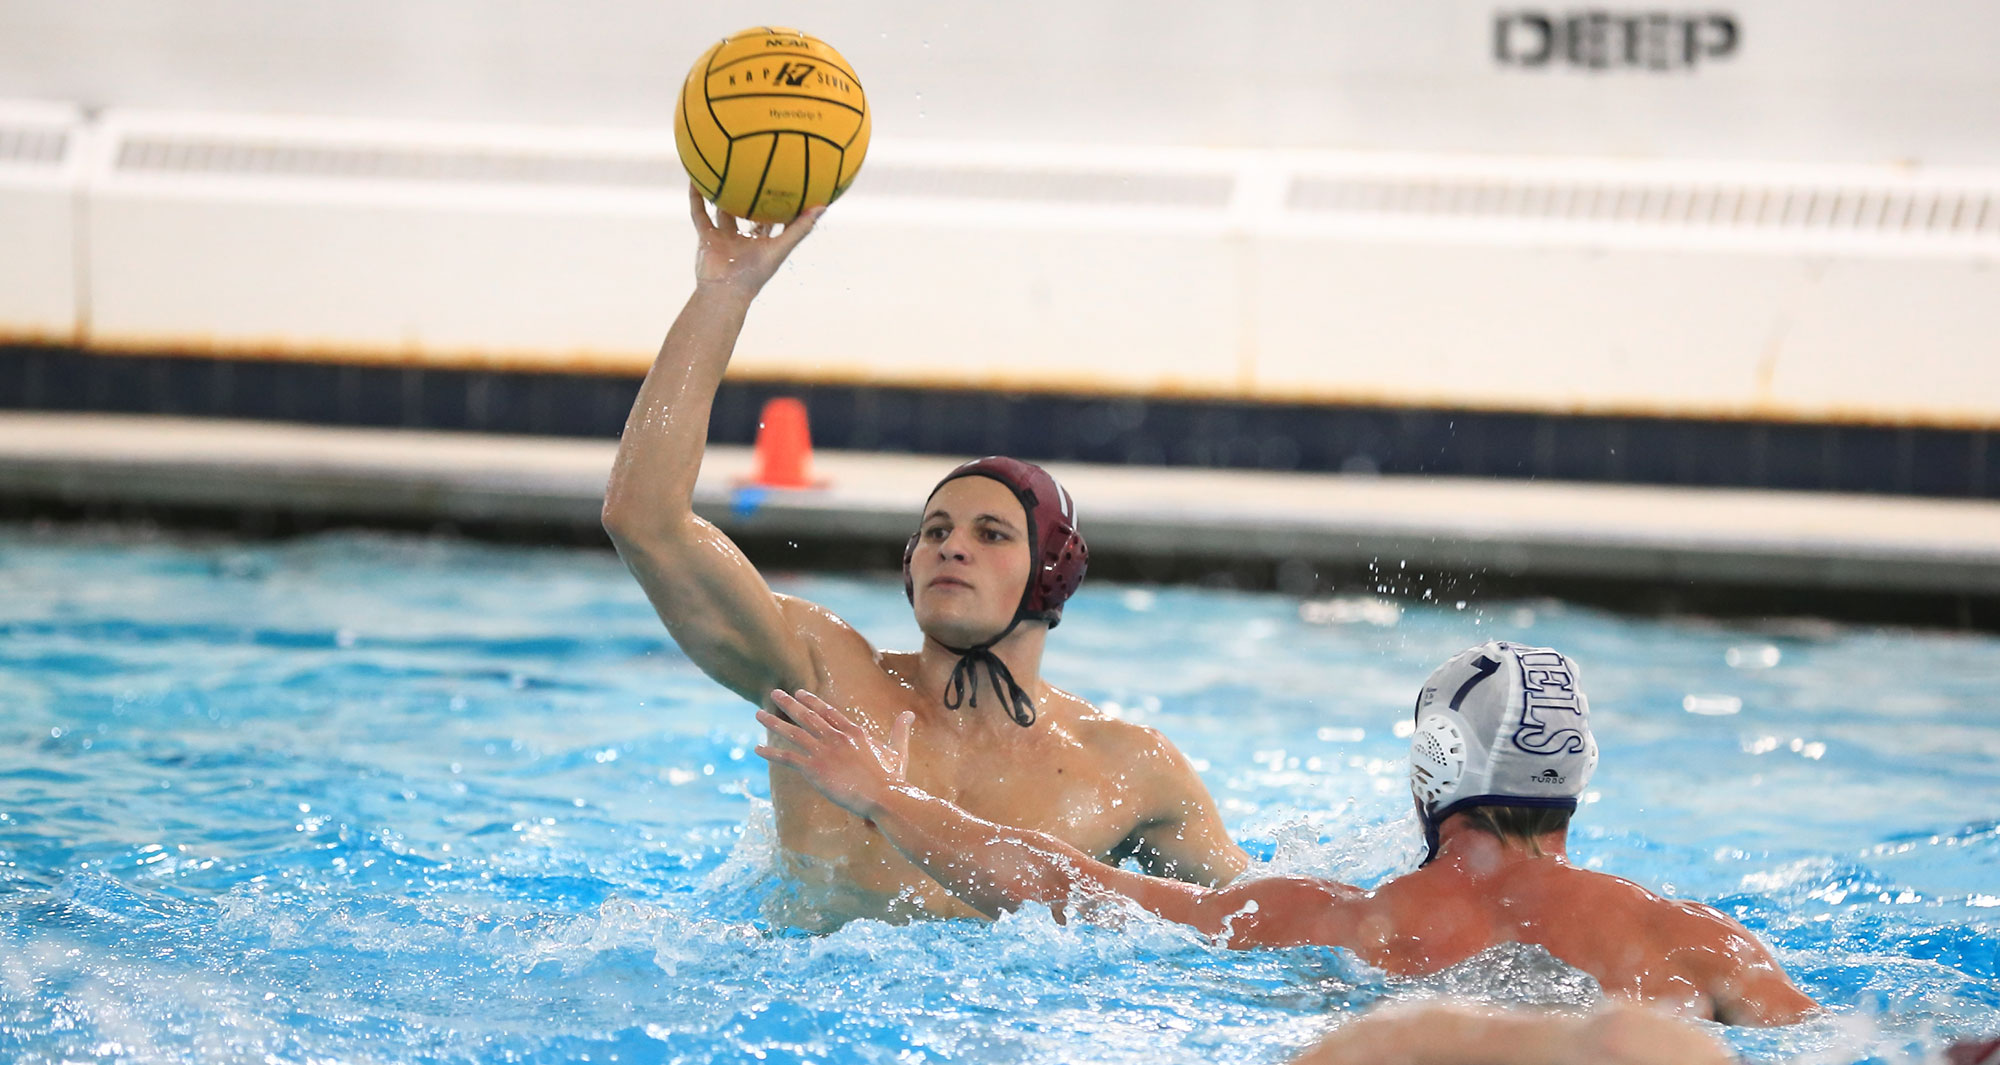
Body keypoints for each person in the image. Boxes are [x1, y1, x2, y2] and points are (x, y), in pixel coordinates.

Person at [600, 187, 1247, 924]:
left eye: (991, 534)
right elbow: (644, 518)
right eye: (935, 531)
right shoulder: (820, 677)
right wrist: (724, 293)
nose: (953, 547)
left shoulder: (1128, 772)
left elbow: (1262, 927)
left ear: (1052, 573)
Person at [755, 641, 1820, 1025]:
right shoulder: (1699, 947)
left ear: (1432, 771)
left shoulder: (1325, 914)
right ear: (1574, 780)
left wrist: (884, 798)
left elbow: (1067, 888)